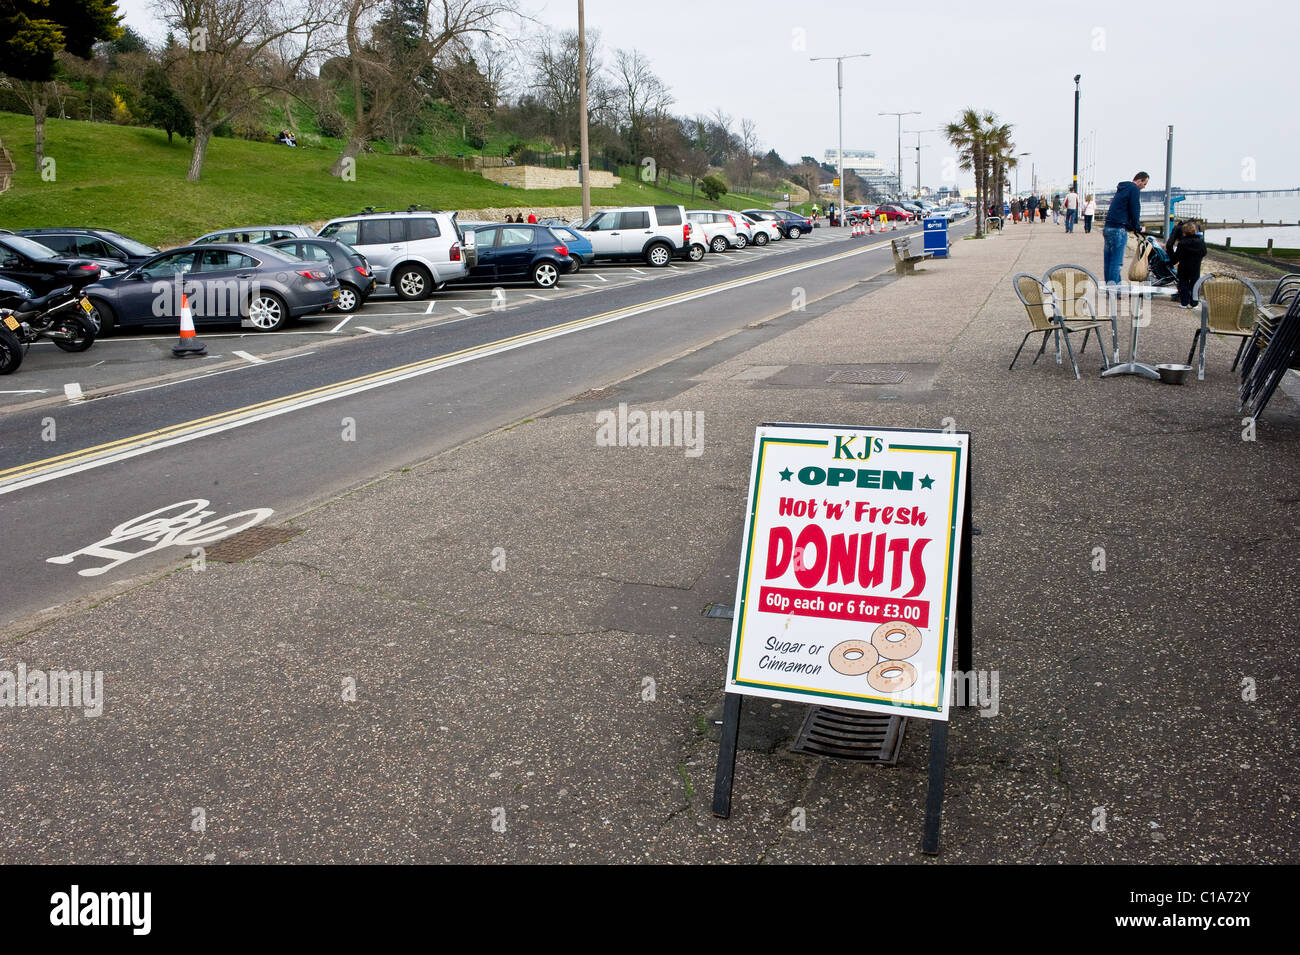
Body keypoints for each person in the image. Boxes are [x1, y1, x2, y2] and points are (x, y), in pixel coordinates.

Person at [1103, 171, 1150, 286]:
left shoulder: (1122, 188)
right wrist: (1137, 227)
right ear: (1139, 180)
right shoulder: (1134, 189)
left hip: (1108, 227)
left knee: (1109, 260)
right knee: (1117, 262)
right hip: (1118, 229)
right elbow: (1135, 210)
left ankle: (1110, 288)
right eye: (1145, 184)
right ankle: (1114, 290)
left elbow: (1122, 209)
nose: (1144, 187)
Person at [1170, 221, 1206, 308]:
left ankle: (1184, 303)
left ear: (1184, 233)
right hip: (1196, 266)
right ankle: (1194, 303)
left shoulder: (1182, 243)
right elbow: (1204, 252)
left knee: (1183, 284)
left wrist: (1172, 260)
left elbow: (1177, 255)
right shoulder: (1201, 242)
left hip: (1184, 266)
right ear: (1195, 231)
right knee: (1195, 284)